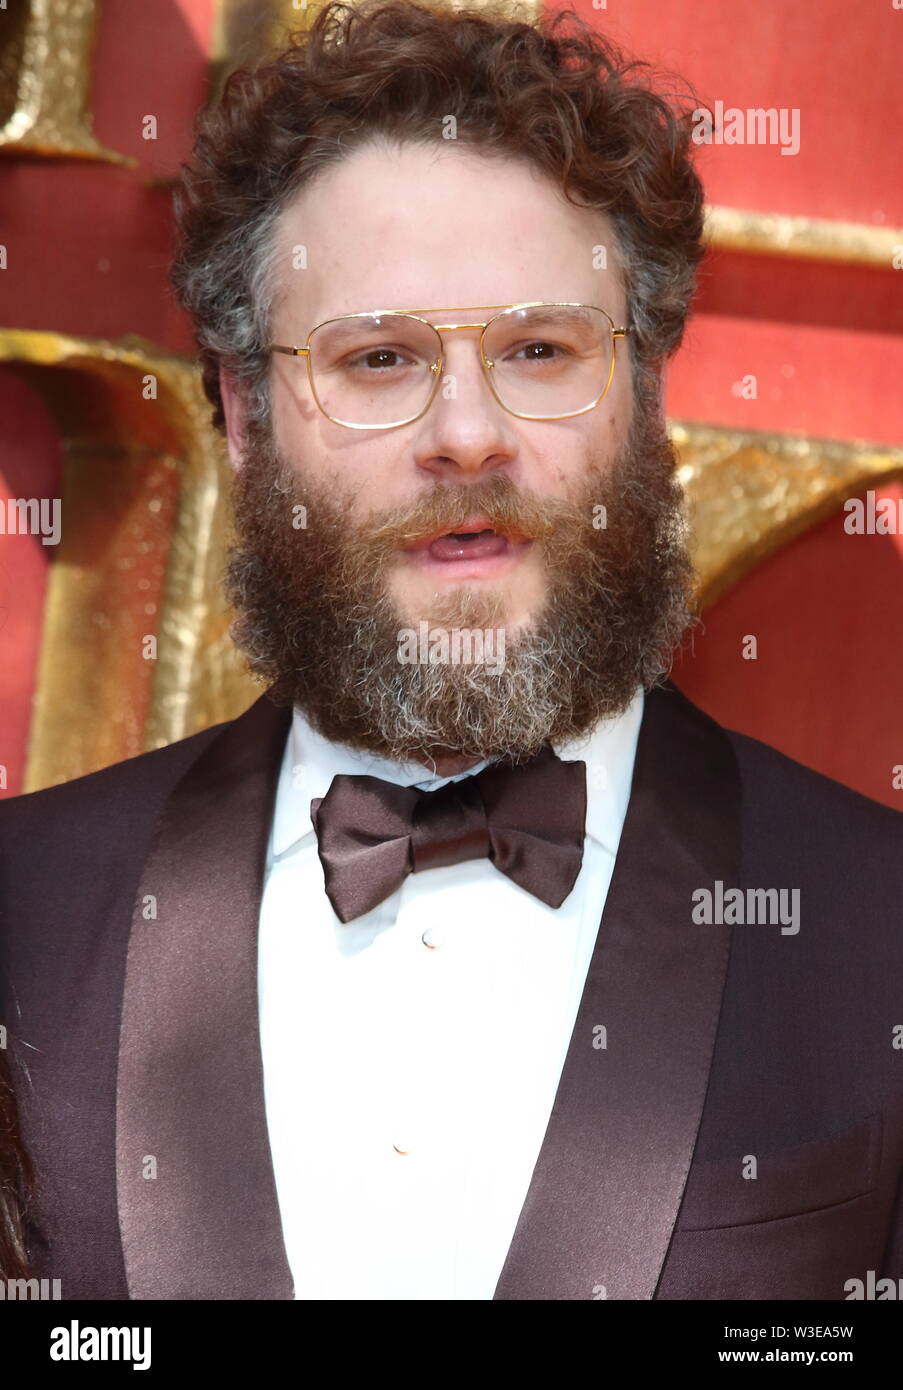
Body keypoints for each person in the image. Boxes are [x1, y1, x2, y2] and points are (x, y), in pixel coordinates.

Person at [1, 0, 901, 1300]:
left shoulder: (881, 928)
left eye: (539, 349)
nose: (467, 434)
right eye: (378, 359)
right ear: (245, 416)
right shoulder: (24, 910)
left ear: (647, 396)